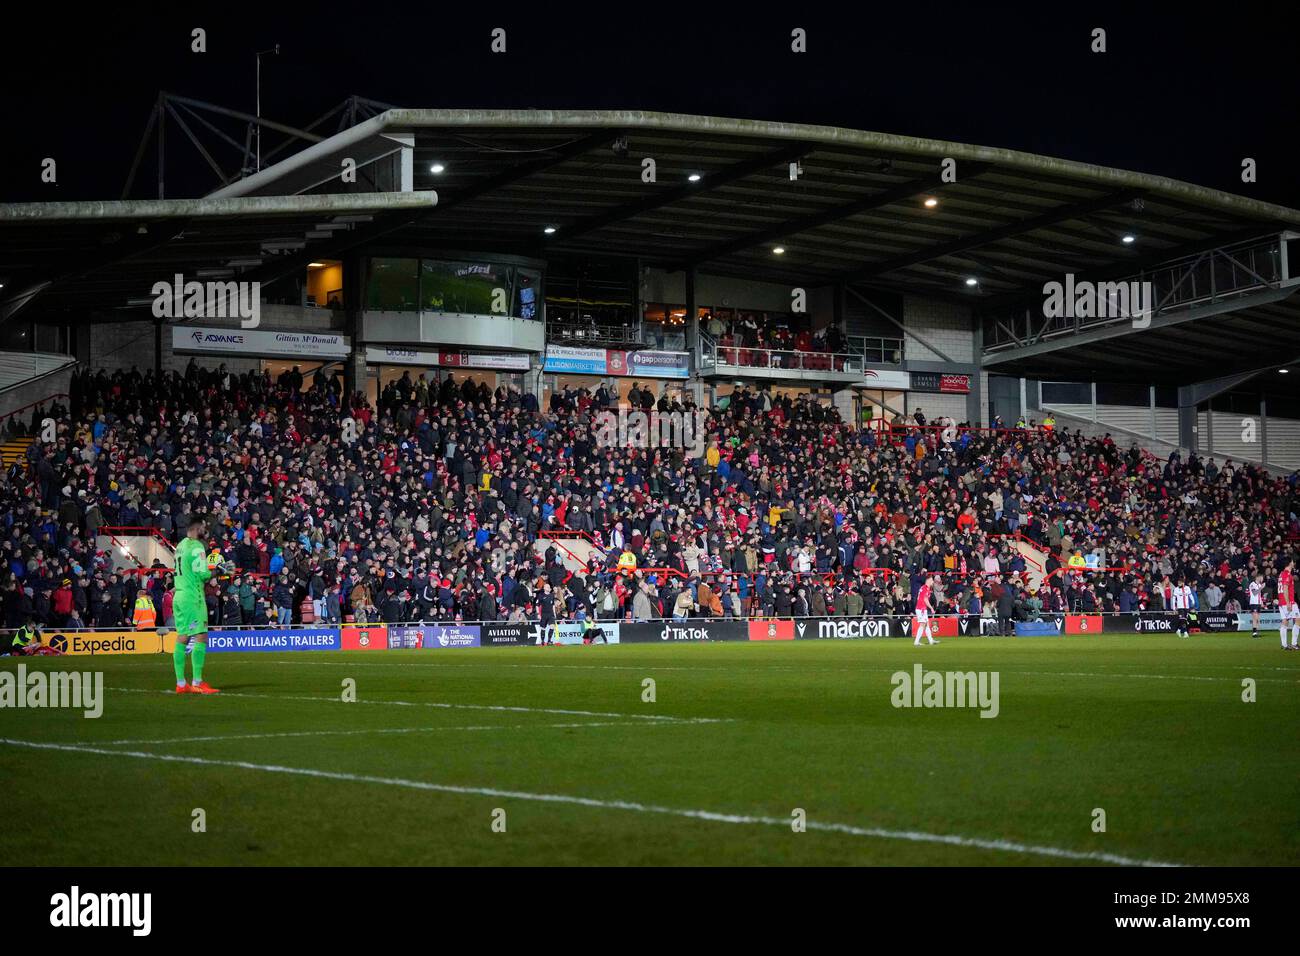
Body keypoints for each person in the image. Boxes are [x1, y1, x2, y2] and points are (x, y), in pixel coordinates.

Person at [171, 515, 225, 694]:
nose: (205, 531)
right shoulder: (197, 547)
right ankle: (197, 682)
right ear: (196, 529)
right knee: (201, 635)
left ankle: (180, 684)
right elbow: (203, 575)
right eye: (203, 528)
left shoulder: (180, 546)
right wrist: (220, 571)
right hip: (193, 596)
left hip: (179, 595)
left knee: (183, 636)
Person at [1277, 558, 1298, 651]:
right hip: (1288, 602)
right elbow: (1285, 588)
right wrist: (1288, 603)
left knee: (1285, 621)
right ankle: (1294, 643)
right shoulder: (1288, 574)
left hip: (1282, 602)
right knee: (1298, 620)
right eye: (1293, 561)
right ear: (1290, 563)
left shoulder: (1281, 574)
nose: (1294, 563)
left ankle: (1284, 645)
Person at [913, 574, 938, 647]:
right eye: (932, 580)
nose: (932, 582)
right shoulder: (925, 588)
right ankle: (916, 642)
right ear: (929, 580)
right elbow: (925, 599)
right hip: (921, 609)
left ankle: (931, 640)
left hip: (922, 609)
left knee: (926, 624)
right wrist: (931, 607)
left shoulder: (924, 588)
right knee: (923, 625)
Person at [1247, 573, 1264, 638]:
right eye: (1261, 577)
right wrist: (1261, 588)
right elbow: (1254, 593)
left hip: (1258, 603)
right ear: (1258, 577)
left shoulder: (1259, 584)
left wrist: (1261, 602)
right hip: (1254, 603)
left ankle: (1255, 632)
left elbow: (1259, 595)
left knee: (1257, 618)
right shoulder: (1252, 584)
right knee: (1255, 618)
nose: (1262, 579)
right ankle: (1254, 632)